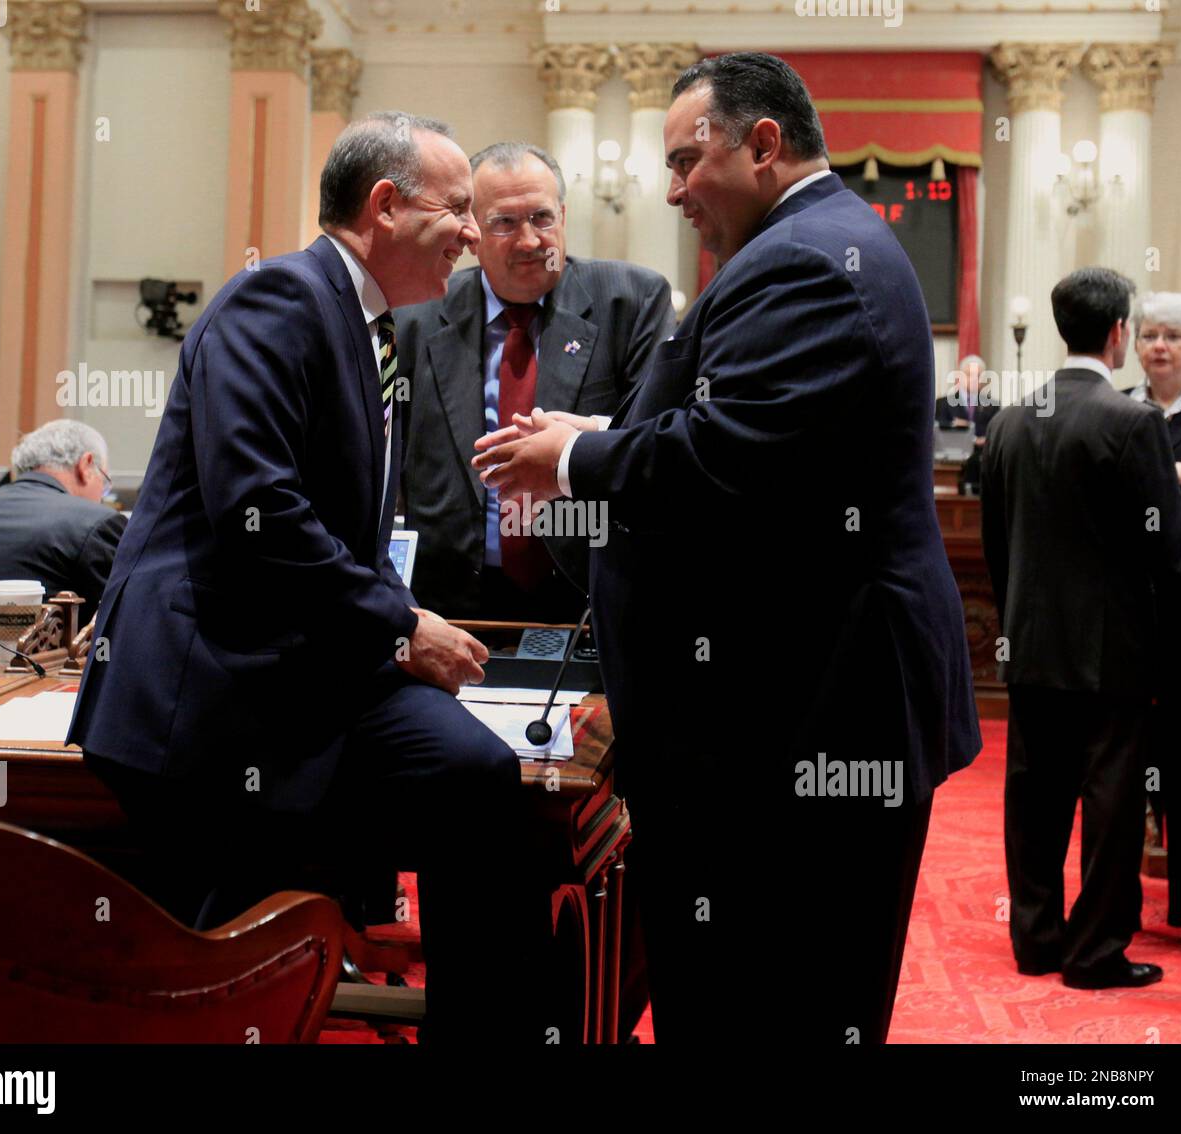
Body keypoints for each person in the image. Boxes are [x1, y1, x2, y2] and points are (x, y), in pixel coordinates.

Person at [473, 51, 980, 1044]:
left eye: (684, 161)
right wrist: (596, 445)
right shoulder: (811, 245)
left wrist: (575, 461)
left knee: (770, 997)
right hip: (793, 705)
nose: (671, 192)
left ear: (762, 144)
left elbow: (730, 460)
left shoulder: (801, 260)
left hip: (806, 716)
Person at [67, 112, 553, 1043]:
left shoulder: (370, 328)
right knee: (228, 966)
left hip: (294, 665)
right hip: (209, 685)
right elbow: (261, 514)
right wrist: (401, 625)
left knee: (481, 780)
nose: (468, 231)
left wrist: (393, 624)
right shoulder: (279, 302)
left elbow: (344, 529)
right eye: (456, 209)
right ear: (384, 206)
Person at [981, 268, 1181, 989]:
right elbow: (1171, 552)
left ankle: (1037, 938)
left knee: (1033, 793)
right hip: (1116, 647)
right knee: (1112, 797)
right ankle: (1096, 949)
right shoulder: (1132, 423)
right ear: (1118, 334)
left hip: (1030, 639)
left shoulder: (1011, 419)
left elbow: (995, 542)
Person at [396, 141, 675, 622]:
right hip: (448, 606)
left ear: (563, 215)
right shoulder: (414, 319)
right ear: (471, 231)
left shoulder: (630, 302)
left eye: (542, 218)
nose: (529, 241)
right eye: (503, 222)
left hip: (586, 595)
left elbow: (655, 439)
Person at [1127, 290, 1181, 953]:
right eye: (1149, 334)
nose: (1159, 346)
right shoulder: (1120, 410)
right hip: (1127, 615)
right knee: (1127, 759)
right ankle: (1115, 904)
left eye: (1174, 336)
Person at [0, 419, 125, 622]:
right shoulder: (96, 522)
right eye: (105, 483)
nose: (102, 495)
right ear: (86, 465)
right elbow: (122, 619)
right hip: (39, 654)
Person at [935, 354, 996, 490]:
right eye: (969, 375)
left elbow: (993, 437)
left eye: (978, 376)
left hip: (981, 469)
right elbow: (937, 437)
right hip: (950, 466)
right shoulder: (942, 404)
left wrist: (969, 430)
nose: (973, 380)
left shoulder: (993, 406)